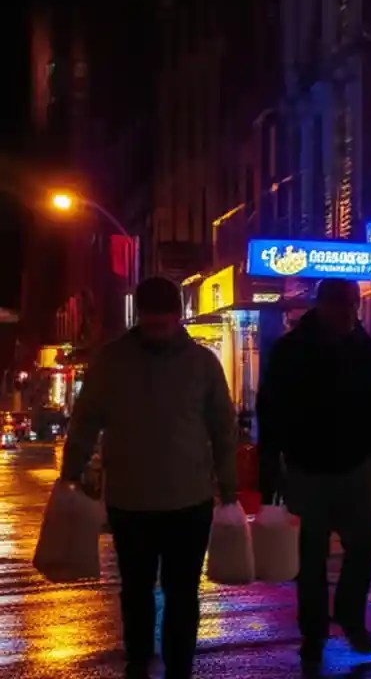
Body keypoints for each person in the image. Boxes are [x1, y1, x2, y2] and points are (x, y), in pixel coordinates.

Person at [59, 277, 238, 679]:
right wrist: (70, 473)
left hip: (188, 502)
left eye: (164, 321)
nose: (157, 329)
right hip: (131, 501)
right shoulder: (111, 361)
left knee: (181, 594)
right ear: (140, 317)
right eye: (150, 322)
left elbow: (223, 429)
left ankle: (179, 668)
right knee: (137, 590)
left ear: (177, 316)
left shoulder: (202, 363)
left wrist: (228, 489)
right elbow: (85, 420)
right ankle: (138, 662)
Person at [256, 278, 371, 665]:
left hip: (353, 463)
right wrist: (269, 469)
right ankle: (317, 630)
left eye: (352, 307)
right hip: (311, 465)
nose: (350, 314)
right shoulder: (293, 351)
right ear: (323, 306)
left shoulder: (364, 350)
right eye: (343, 306)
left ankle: (346, 614)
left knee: (359, 547)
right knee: (310, 558)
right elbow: (271, 412)